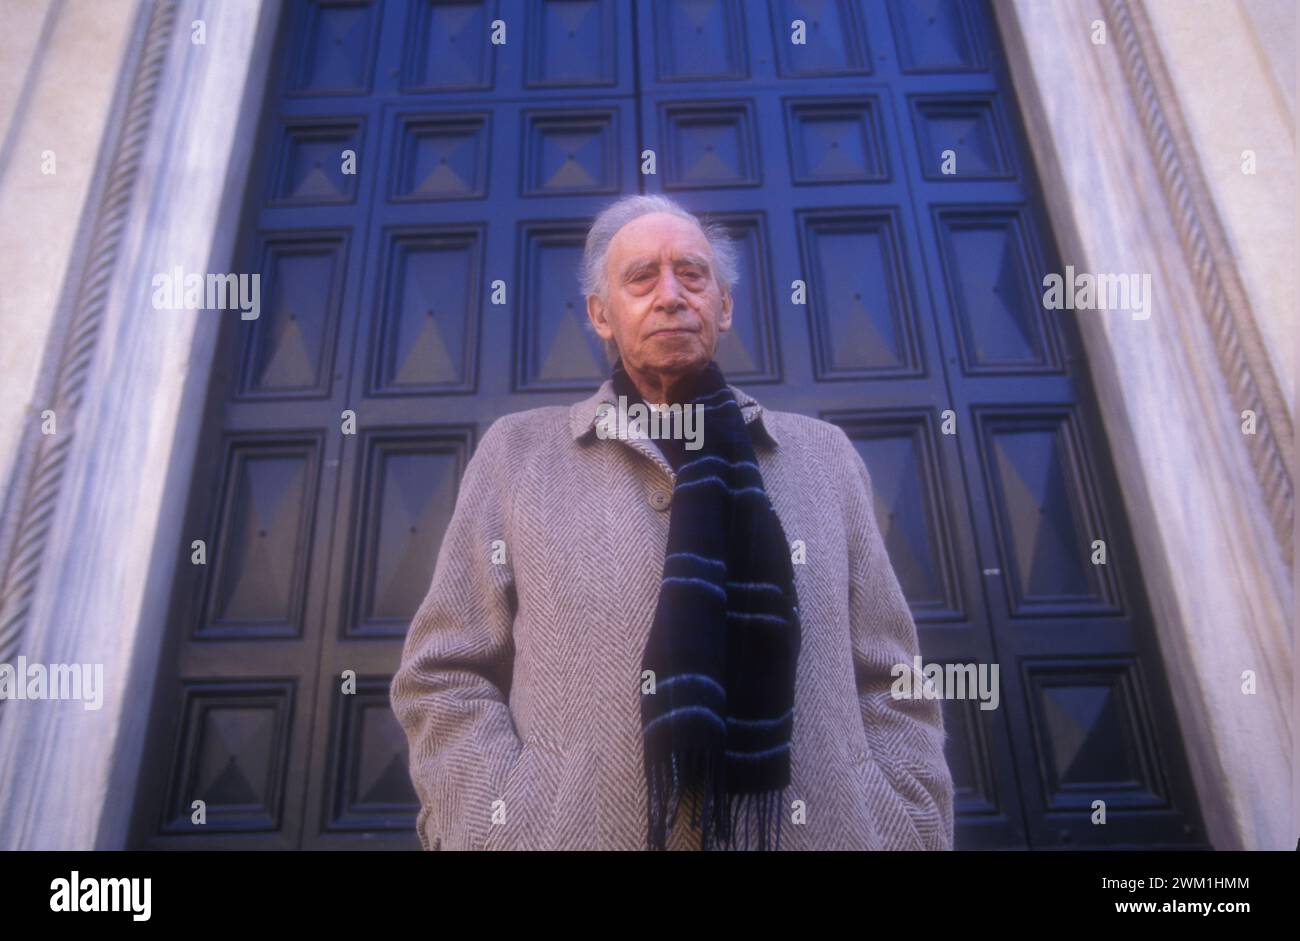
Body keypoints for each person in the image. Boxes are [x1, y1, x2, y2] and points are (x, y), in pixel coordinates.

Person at [390, 193, 955, 851]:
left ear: (724, 304)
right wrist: (499, 822)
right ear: (602, 315)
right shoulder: (519, 456)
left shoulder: (823, 457)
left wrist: (908, 825)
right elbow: (446, 671)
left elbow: (893, 674)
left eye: (692, 274)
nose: (670, 295)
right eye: (641, 278)